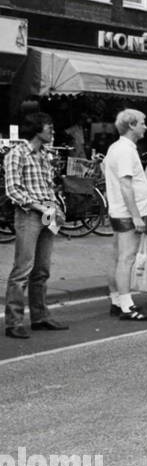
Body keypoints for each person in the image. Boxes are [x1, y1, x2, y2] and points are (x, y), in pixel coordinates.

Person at [3, 113, 67, 338]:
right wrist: (41, 207)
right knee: (23, 269)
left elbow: (48, 187)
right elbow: (13, 190)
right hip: (30, 214)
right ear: (36, 129)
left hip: (47, 212)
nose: (52, 131)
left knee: (42, 269)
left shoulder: (45, 155)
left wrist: (56, 209)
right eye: (49, 127)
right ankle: (14, 321)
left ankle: (40, 317)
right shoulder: (16, 154)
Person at [103, 109, 147, 321]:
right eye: (142, 122)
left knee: (118, 258)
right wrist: (136, 216)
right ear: (132, 125)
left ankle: (116, 300)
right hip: (127, 213)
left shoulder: (116, 147)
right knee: (126, 259)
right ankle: (126, 306)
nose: (145, 126)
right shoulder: (125, 150)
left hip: (119, 210)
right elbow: (126, 185)